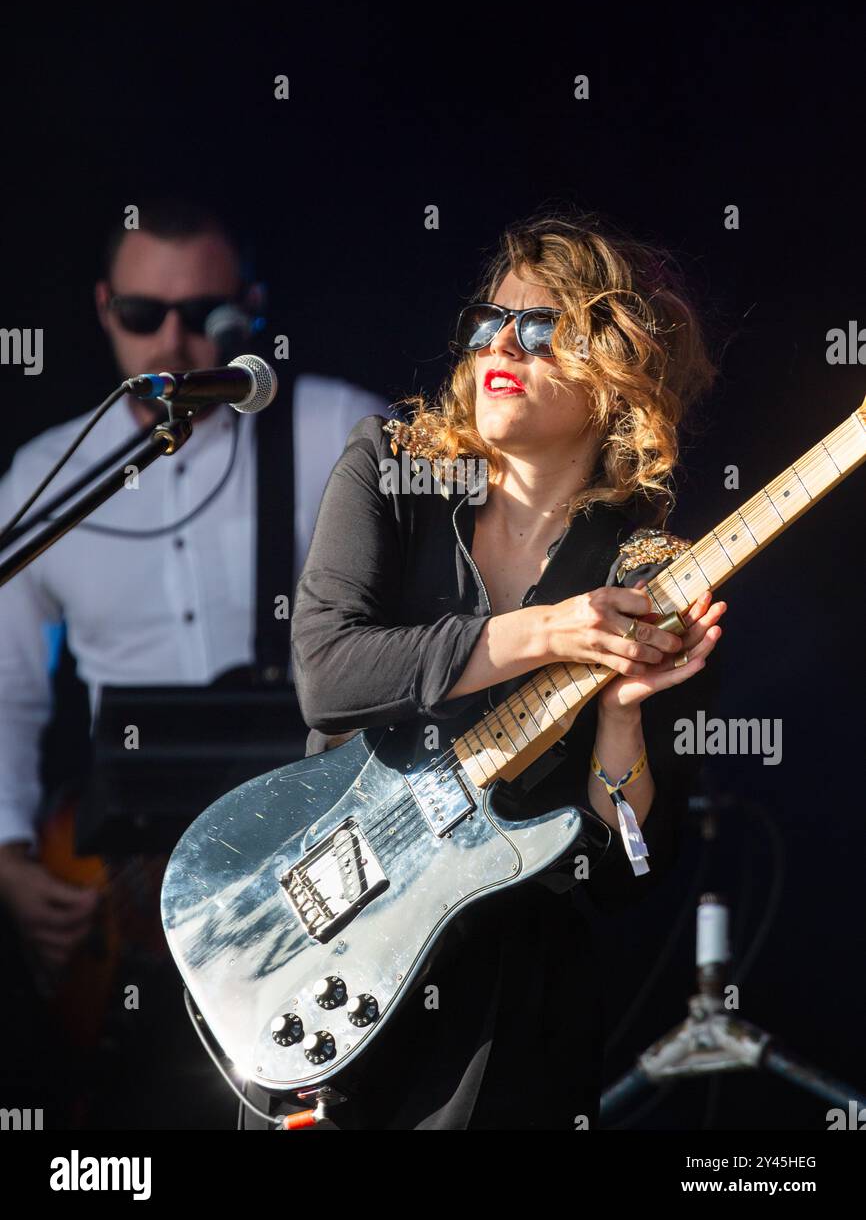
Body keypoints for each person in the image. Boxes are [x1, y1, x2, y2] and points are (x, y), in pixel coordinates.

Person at [243, 210, 726, 1131]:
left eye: (542, 328)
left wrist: (622, 722)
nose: (502, 343)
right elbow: (330, 677)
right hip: (329, 935)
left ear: (616, 367)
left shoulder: (648, 569)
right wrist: (543, 632)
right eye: (489, 321)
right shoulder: (389, 465)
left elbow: (622, 878)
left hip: (508, 1009)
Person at [0, 197, 389, 1125]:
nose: (171, 339)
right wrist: (11, 859)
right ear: (104, 309)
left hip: (311, 854)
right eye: (143, 316)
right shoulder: (44, 475)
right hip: (123, 896)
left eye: (201, 315)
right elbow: (7, 689)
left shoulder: (339, 428)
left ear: (248, 309)